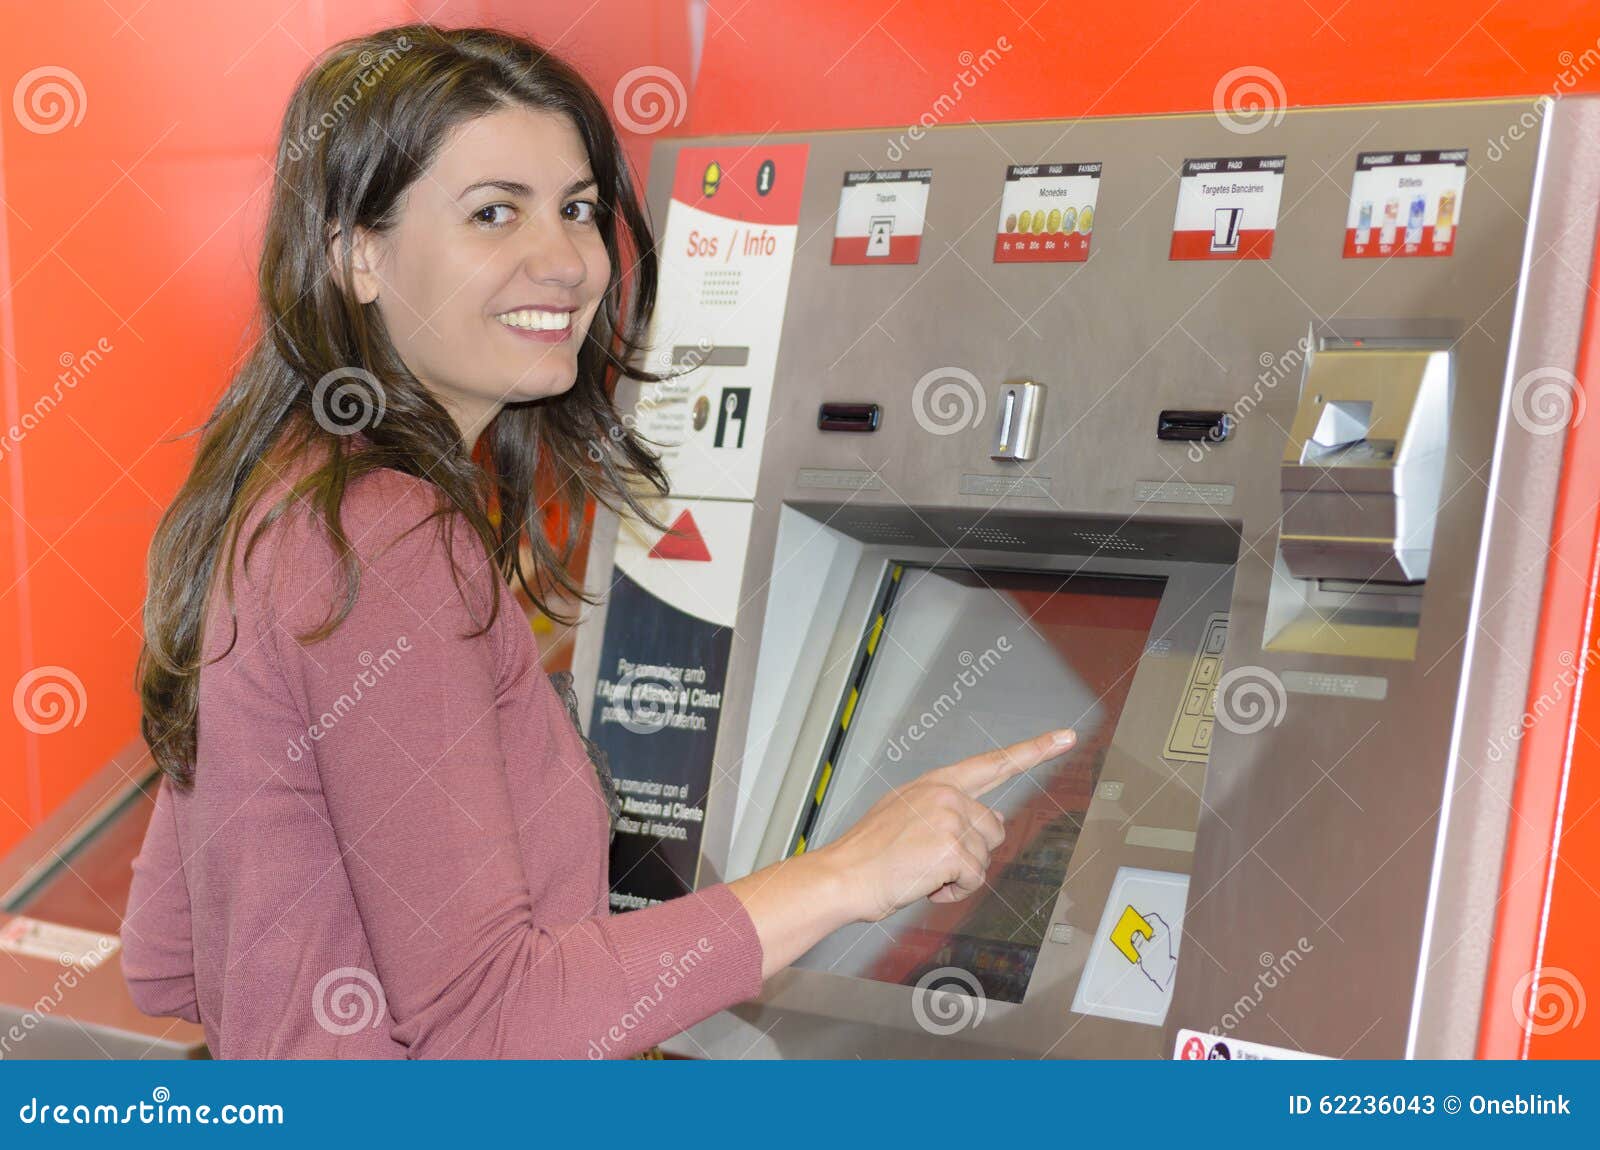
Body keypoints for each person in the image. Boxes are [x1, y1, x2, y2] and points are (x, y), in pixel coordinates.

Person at [123, 23, 1074, 1059]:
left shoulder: (279, 497)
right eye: (494, 213)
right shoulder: (388, 536)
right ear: (355, 251)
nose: (566, 262)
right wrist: (848, 873)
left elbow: (168, 953)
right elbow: (493, 1018)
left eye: (577, 210)